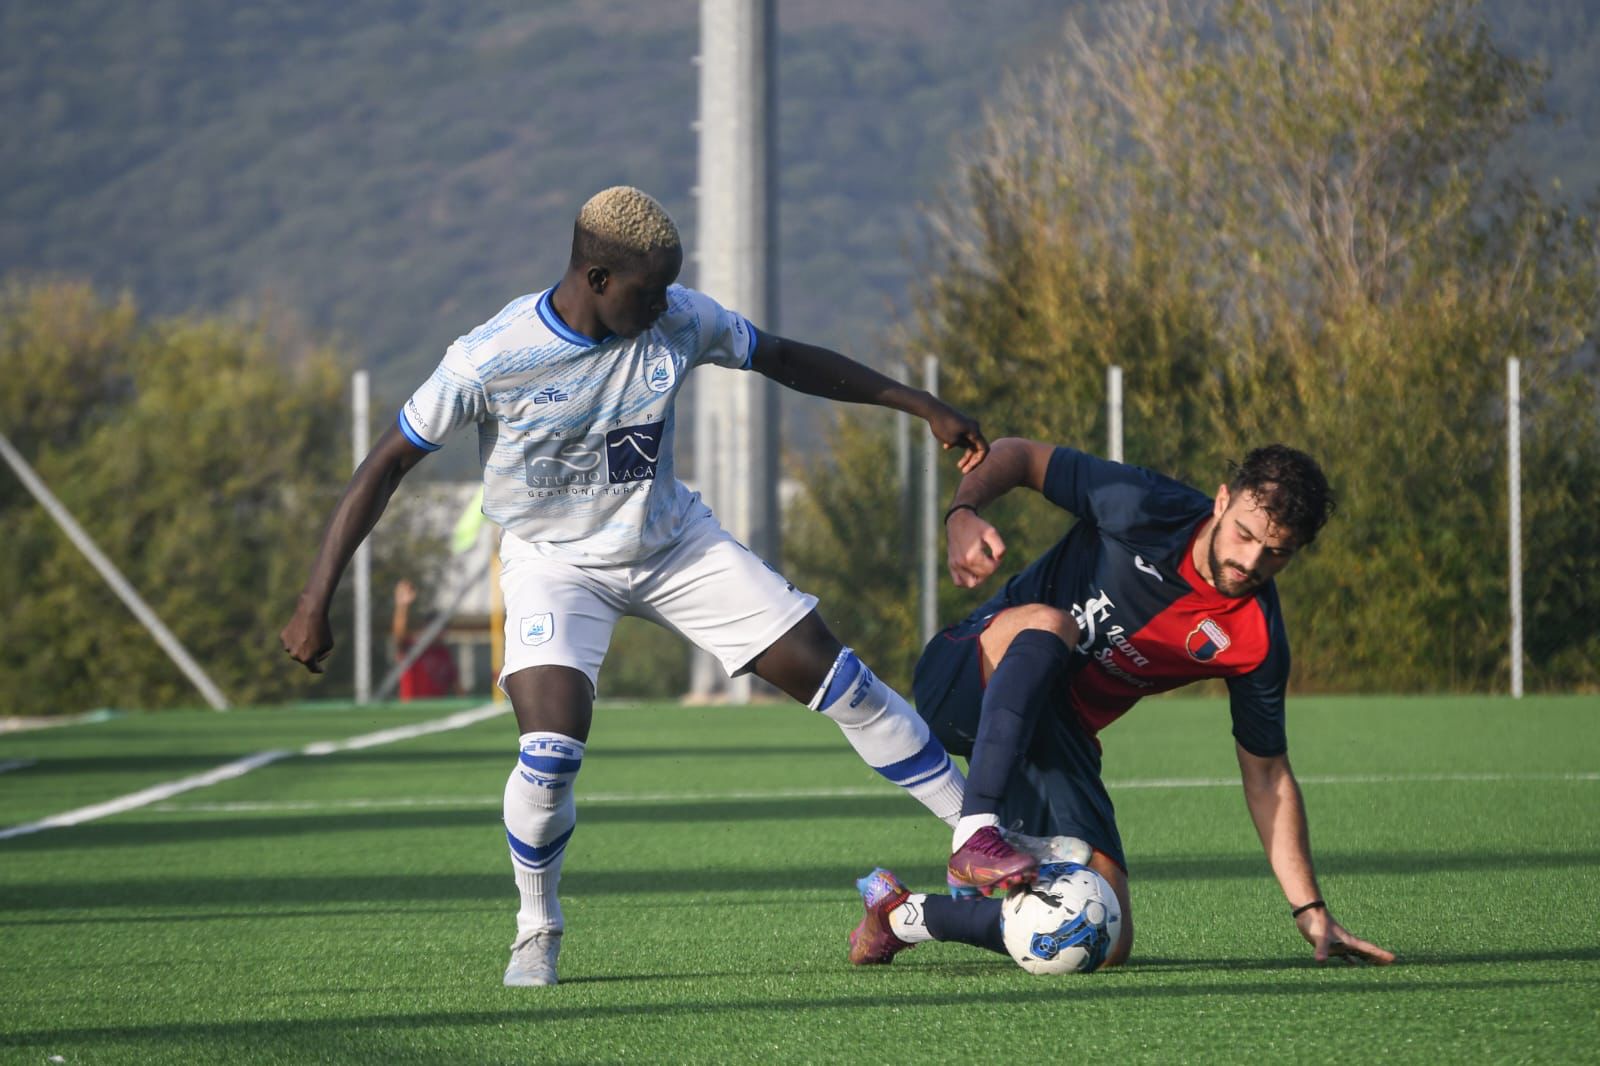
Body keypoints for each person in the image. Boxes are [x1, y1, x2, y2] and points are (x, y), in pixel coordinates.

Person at [279, 186, 984, 987]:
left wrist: (919, 404)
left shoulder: (679, 318)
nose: (664, 307)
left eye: (668, 290)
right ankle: (536, 926)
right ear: (598, 277)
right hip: (554, 562)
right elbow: (386, 465)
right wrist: (314, 598)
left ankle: (977, 832)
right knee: (549, 755)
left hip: (672, 542)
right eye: (648, 293)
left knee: (842, 682)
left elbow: (785, 358)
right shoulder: (488, 357)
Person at [848, 439, 1396, 968]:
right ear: (1222, 501)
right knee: (1051, 623)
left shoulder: (1256, 640)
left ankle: (902, 916)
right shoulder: (1143, 505)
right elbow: (1018, 455)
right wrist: (963, 511)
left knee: (1101, 937)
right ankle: (976, 834)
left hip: (1054, 737)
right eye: (1245, 535)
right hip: (968, 674)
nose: (1251, 561)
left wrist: (1310, 911)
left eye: (1276, 553)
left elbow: (1269, 777)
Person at [390, 579, 460, 700]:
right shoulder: (414, 646)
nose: (441, 633)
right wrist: (402, 606)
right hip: (413, 707)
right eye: (437, 628)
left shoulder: (443, 653)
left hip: (437, 710)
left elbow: (455, 684)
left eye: (443, 629)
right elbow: (399, 636)